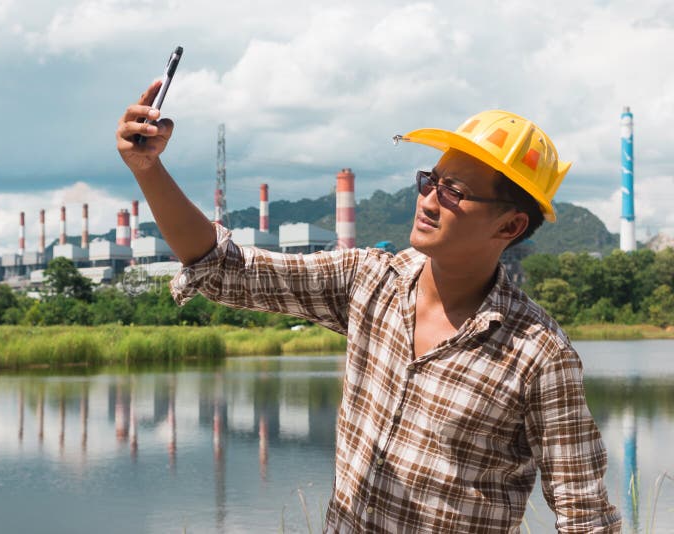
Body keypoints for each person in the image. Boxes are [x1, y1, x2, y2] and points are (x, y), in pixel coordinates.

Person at [116, 81, 621, 533]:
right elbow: (225, 267)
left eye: (455, 191)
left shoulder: (537, 354)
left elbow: (585, 517)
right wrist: (149, 169)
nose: (427, 200)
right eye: (430, 180)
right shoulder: (370, 282)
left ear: (510, 227)